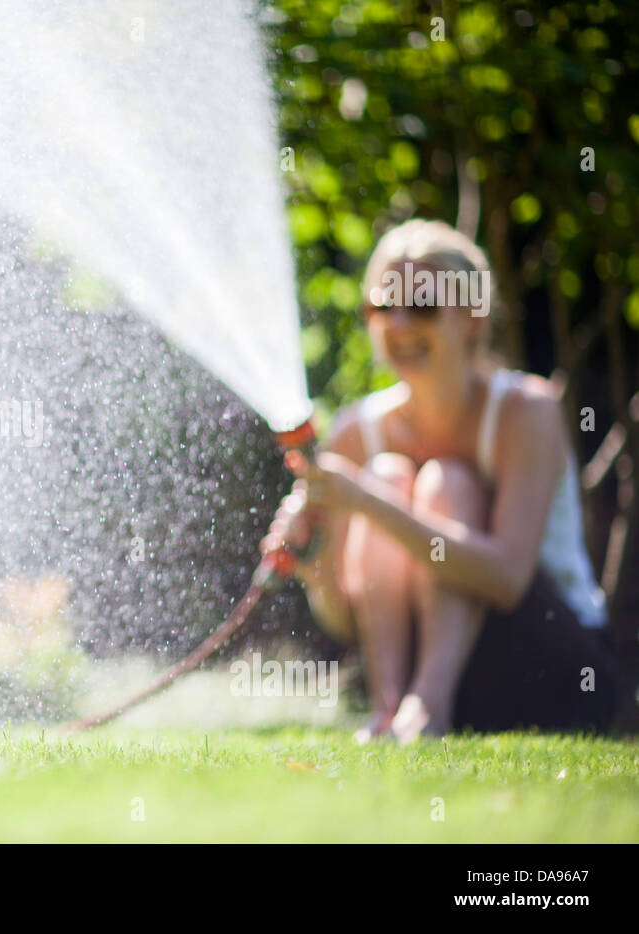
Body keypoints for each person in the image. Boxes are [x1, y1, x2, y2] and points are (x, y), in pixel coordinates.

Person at [262, 219, 616, 742]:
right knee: (389, 473)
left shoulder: (526, 410)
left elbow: (508, 580)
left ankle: (427, 705)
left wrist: (367, 502)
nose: (399, 324)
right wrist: (315, 562)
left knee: (446, 482)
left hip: (547, 662)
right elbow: (342, 619)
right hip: (417, 670)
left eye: (422, 306)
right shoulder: (358, 431)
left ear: (472, 317)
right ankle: (392, 713)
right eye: (382, 307)